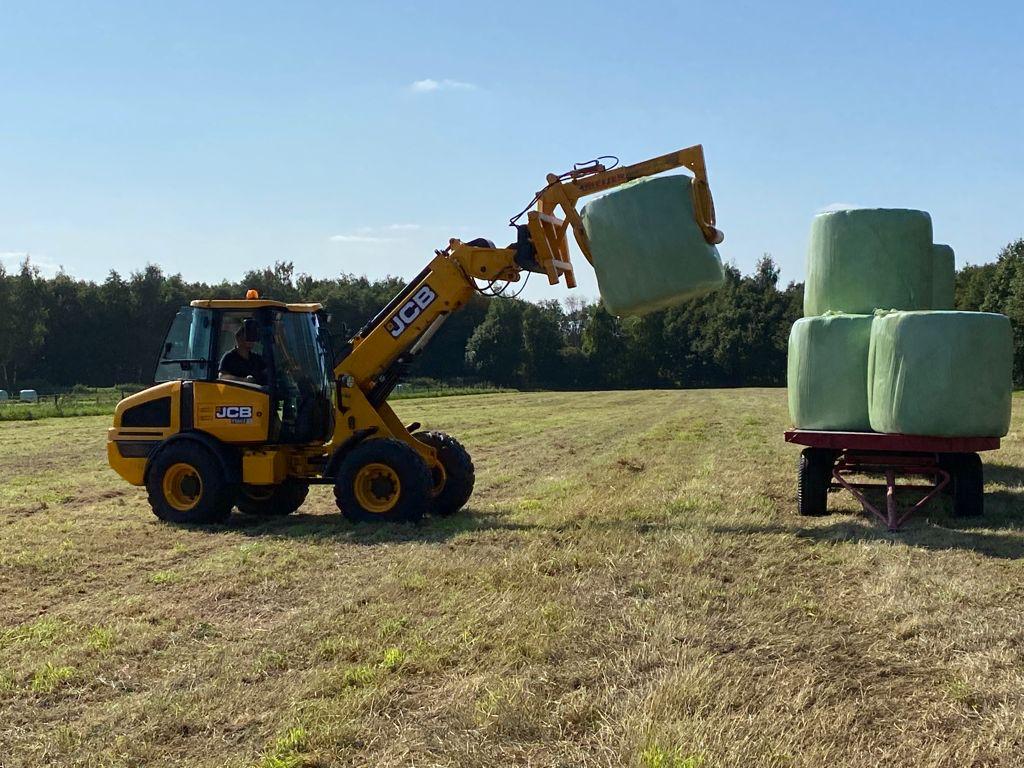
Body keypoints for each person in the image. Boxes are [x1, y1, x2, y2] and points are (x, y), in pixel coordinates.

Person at [219, 319, 267, 384]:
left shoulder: (257, 359)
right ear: (239, 338)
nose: (251, 340)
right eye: (248, 337)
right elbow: (222, 376)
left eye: (253, 337)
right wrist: (244, 380)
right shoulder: (229, 357)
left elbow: (267, 373)